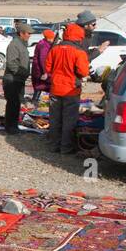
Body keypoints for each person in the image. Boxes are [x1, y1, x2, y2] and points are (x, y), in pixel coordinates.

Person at [44, 23, 89, 155]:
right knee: (69, 120)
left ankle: (53, 145)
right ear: (79, 37)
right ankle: (66, 147)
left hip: (55, 89)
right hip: (71, 90)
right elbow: (84, 72)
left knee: (55, 119)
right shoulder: (79, 52)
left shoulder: (55, 49)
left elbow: (47, 68)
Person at [2, 21, 32, 137]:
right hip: (12, 79)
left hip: (18, 79)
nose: (30, 36)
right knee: (12, 104)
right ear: (21, 33)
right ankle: (10, 127)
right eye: (28, 33)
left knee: (16, 103)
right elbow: (11, 63)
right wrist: (22, 72)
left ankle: (13, 125)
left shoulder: (21, 44)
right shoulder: (14, 45)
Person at [30, 28, 54, 101]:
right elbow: (42, 59)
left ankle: (35, 99)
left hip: (38, 68)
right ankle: (35, 100)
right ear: (49, 38)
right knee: (42, 84)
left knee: (39, 85)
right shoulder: (44, 45)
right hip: (39, 69)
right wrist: (45, 72)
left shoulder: (43, 43)